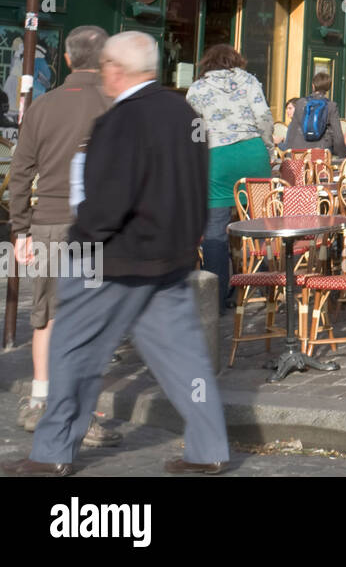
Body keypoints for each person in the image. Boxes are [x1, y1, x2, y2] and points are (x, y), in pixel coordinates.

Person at [3, 31, 230, 476]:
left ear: (117, 70)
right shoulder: (184, 113)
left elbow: (108, 201)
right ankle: (210, 448)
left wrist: (79, 242)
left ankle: (52, 453)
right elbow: (197, 189)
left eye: (108, 66)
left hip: (112, 261)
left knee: (73, 353)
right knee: (185, 363)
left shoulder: (121, 121)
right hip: (170, 262)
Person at [8, 26, 114, 444]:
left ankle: (40, 398)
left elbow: (20, 174)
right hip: (97, 227)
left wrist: (19, 228)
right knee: (90, 317)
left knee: (47, 314)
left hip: (49, 221)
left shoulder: (43, 105)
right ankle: (84, 409)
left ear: (66, 60)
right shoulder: (114, 105)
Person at [185, 45, 274, 311]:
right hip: (252, 153)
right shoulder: (249, 80)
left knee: (215, 230)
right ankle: (268, 286)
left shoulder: (197, 90)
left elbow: (195, 131)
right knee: (260, 225)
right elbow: (263, 118)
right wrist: (268, 148)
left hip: (217, 158)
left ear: (206, 63)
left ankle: (216, 298)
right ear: (236, 61)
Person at [284, 71, 346, 159]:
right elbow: (337, 134)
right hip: (320, 153)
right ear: (328, 88)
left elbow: (292, 130)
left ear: (313, 85)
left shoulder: (300, 103)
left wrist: (288, 153)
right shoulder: (331, 106)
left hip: (299, 152)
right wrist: (342, 155)